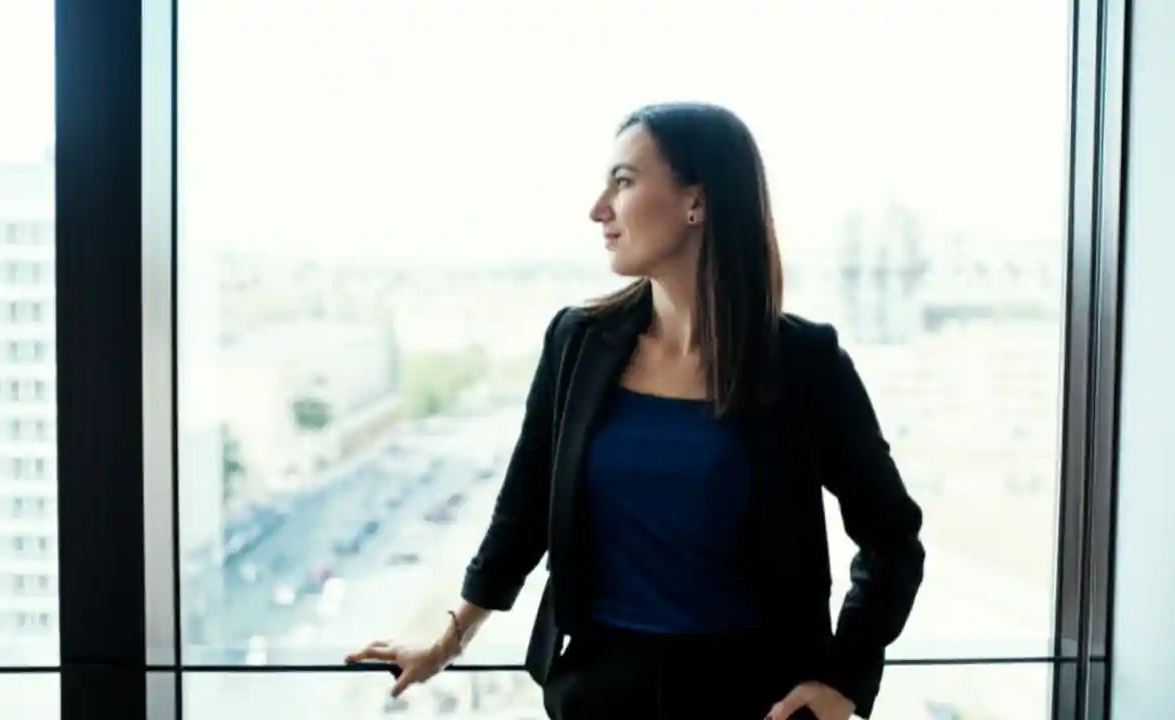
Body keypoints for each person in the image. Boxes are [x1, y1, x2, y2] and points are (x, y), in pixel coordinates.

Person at [347, 102, 925, 719]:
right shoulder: (578, 342)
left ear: (695, 202)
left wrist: (845, 680)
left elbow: (892, 538)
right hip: (598, 690)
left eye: (623, 183)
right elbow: (523, 513)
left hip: (756, 697)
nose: (599, 209)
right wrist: (448, 640)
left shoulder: (805, 363)